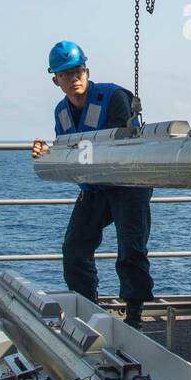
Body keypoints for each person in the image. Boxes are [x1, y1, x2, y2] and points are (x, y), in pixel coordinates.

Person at [30, 42, 154, 329]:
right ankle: (87, 307)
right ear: (55, 80)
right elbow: (69, 148)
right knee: (74, 248)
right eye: (66, 74)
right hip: (94, 188)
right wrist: (47, 152)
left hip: (128, 183)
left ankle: (134, 315)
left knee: (131, 249)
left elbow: (114, 145)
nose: (74, 78)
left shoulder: (114, 98)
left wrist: (68, 153)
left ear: (86, 71)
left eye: (78, 71)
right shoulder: (61, 111)